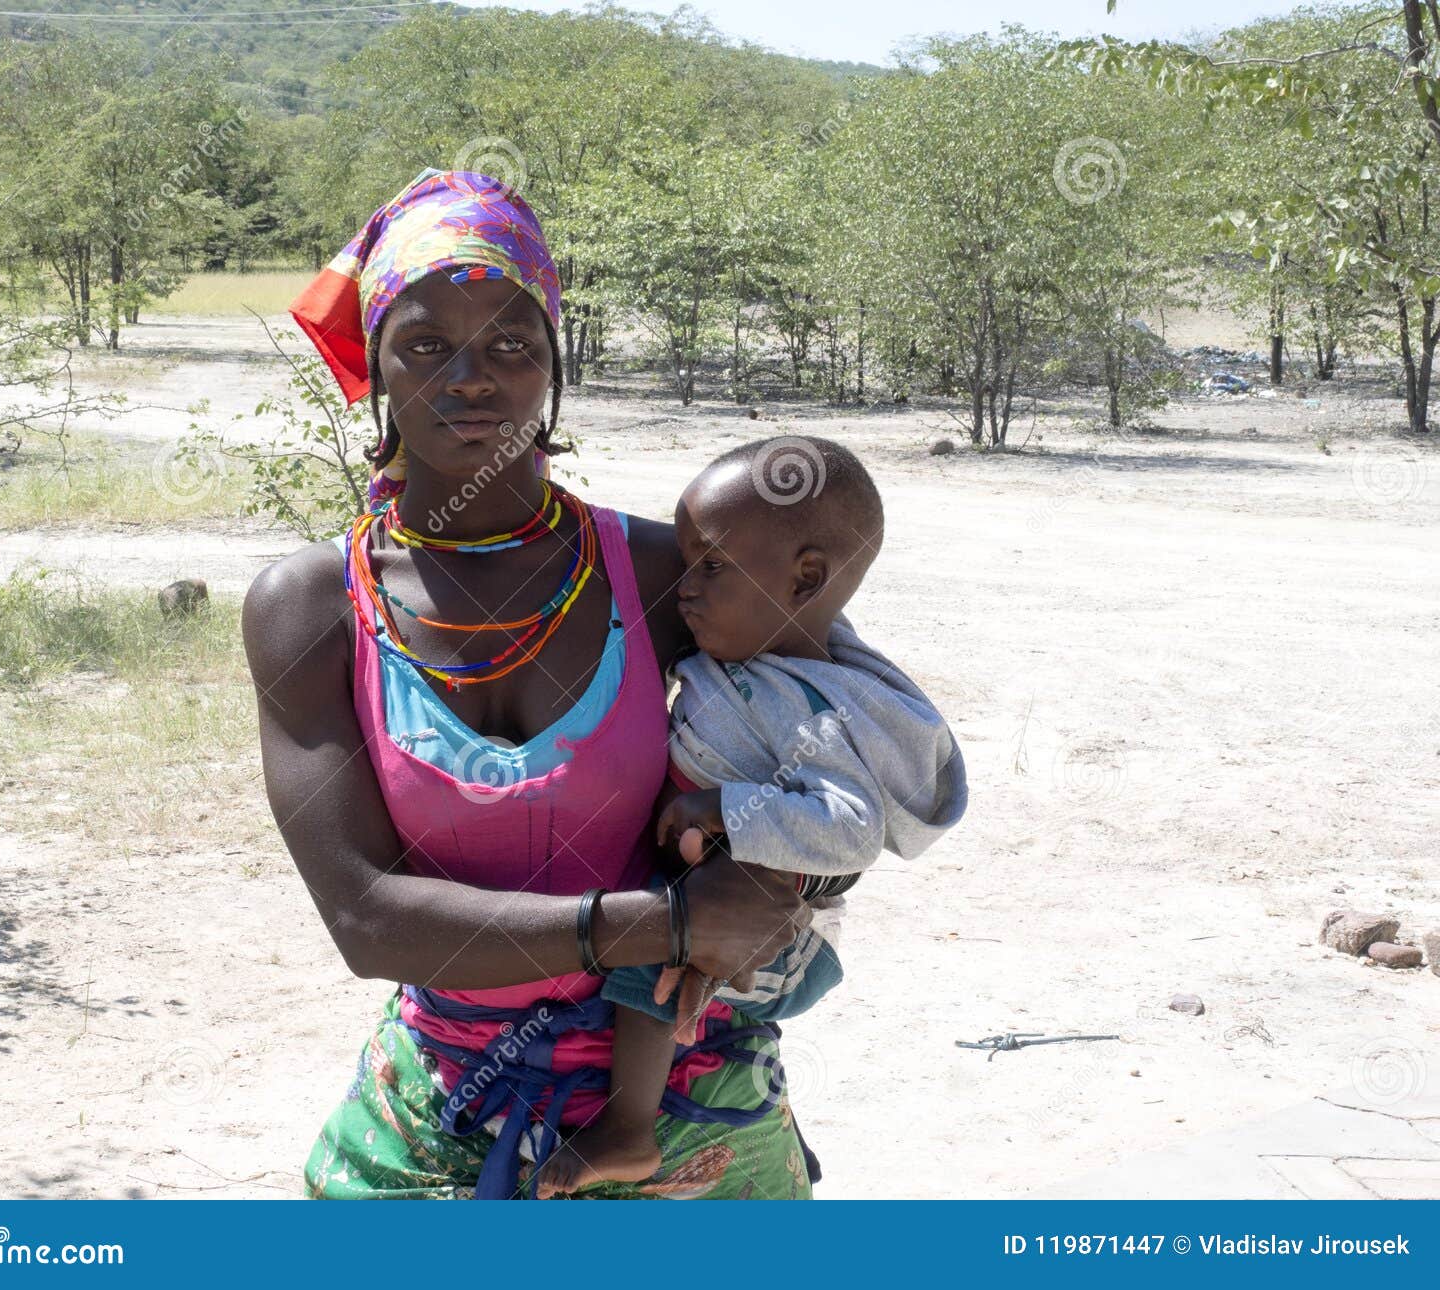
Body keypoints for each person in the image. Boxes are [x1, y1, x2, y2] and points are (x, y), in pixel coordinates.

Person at [243, 168, 818, 1200]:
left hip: (695, 1110)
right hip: (446, 1105)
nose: (472, 376)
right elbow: (365, 919)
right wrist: (673, 922)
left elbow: (843, 724)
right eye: (425, 344)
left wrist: (797, 878)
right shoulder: (310, 606)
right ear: (374, 365)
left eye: (512, 341)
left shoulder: (662, 569)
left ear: (553, 362)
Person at [539, 438, 969, 1194]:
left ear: (806, 579)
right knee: (680, 948)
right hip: (738, 907)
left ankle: (629, 1130)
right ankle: (779, 1123)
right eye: (687, 561)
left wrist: (729, 808)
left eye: (712, 566)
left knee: (656, 950)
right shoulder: (745, 653)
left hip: (791, 942)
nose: (686, 588)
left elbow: (850, 826)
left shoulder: (812, 703)